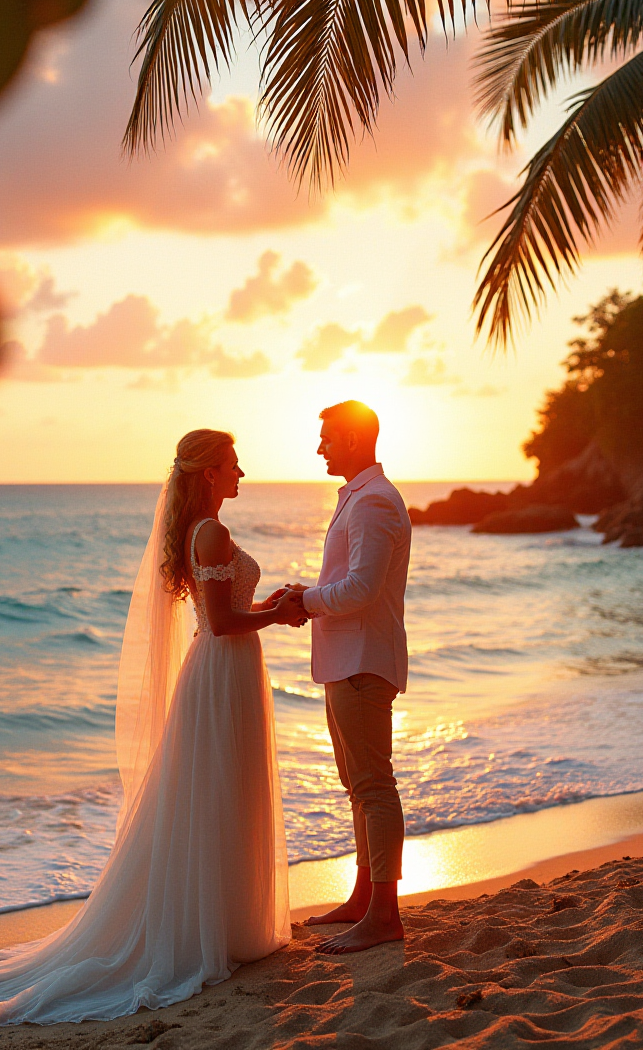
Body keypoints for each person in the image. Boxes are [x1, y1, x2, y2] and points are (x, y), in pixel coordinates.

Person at [0, 429, 300, 1025]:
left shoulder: (202, 529)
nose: (242, 471)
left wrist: (268, 608)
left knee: (222, 794)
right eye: (233, 463)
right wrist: (277, 614)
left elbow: (220, 613)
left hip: (224, 671)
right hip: (222, 671)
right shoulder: (211, 532)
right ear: (209, 473)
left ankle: (223, 924)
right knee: (220, 794)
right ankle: (214, 931)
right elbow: (221, 622)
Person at [282, 401, 412, 954]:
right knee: (358, 787)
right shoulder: (361, 497)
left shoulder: (374, 501)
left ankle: (384, 914)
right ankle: (363, 899)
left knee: (374, 788)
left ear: (355, 439)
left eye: (329, 438)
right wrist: (305, 596)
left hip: (362, 661)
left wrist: (306, 600)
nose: (320, 448)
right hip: (346, 660)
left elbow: (362, 587)